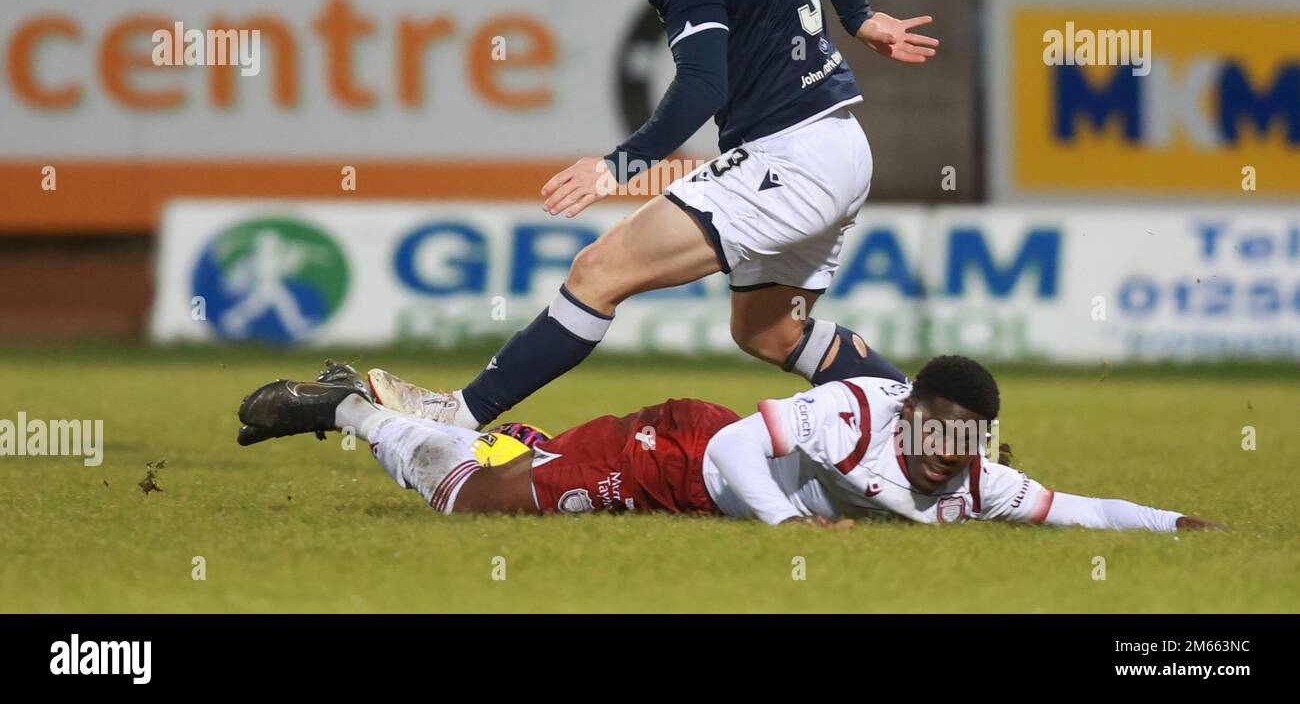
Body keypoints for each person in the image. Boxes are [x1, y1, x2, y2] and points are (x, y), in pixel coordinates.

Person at [410, 0, 939, 431]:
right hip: (841, 146)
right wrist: (859, 15)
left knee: (597, 272)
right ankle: (942, 432)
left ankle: (457, 416)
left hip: (788, 162)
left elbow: (702, 85)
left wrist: (618, 167)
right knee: (769, 331)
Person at [235, 351, 1225, 532]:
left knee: (518, 467)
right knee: (472, 505)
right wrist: (793, 524)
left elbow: (1079, 510)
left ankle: (366, 407)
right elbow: (740, 452)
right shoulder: (859, 410)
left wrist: (1177, 521)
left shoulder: (973, 482)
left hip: (692, 473)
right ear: (910, 408)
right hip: (683, 451)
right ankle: (349, 411)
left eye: (961, 441)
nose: (938, 450)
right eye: (932, 426)